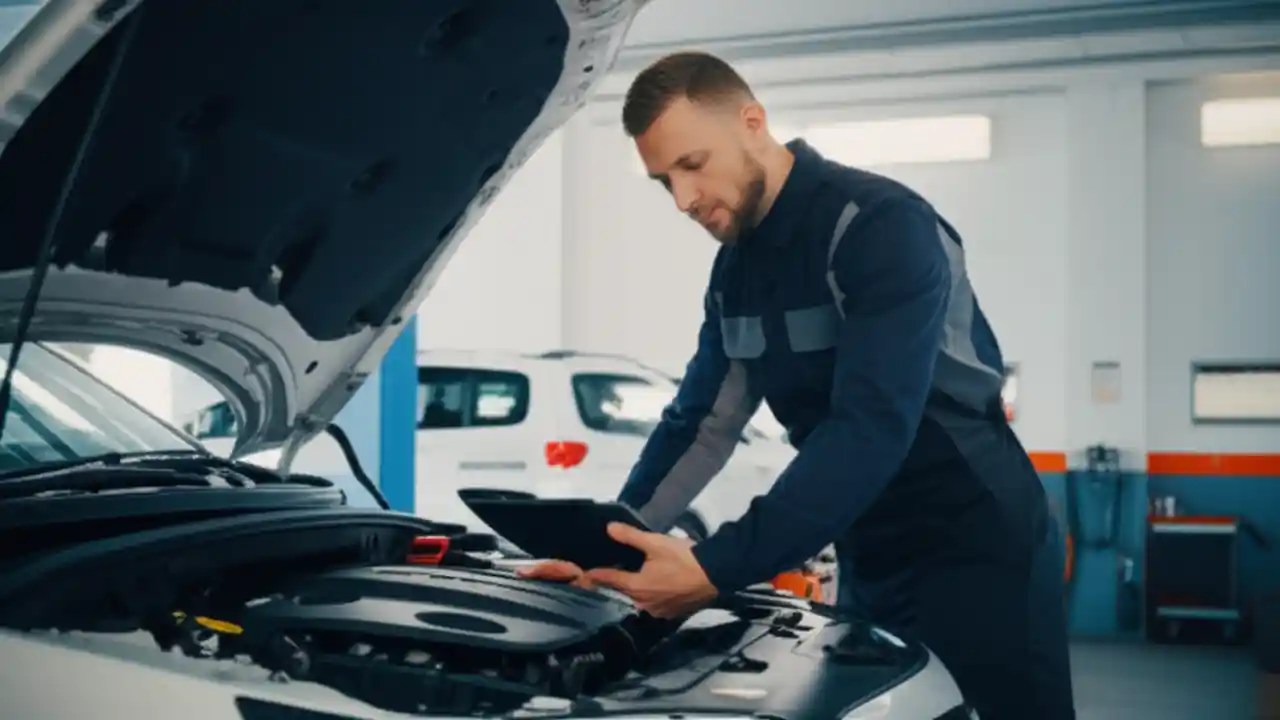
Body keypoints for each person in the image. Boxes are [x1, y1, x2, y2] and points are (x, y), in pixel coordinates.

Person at [519, 51, 1075, 719]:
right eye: (665, 181)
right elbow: (701, 425)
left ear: (752, 123)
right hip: (871, 551)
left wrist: (716, 566)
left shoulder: (878, 227)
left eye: (693, 165)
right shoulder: (735, 275)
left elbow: (871, 426)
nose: (683, 200)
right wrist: (608, 552)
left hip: (979, 546)